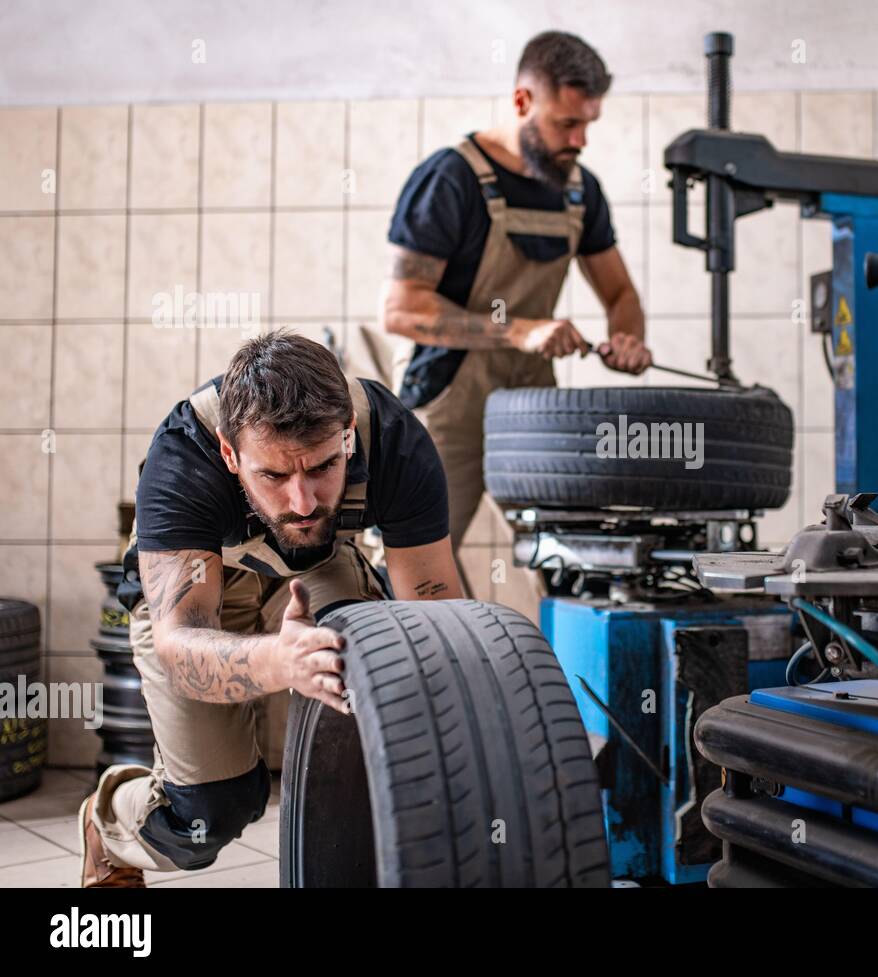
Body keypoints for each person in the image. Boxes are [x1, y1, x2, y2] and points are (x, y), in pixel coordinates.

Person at [80, 330, 461, 887]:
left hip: (316, 569)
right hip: (198, 592)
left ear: (348, 436)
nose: (302, 502)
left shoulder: (396, 442)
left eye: (324, 467)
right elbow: (181, 645)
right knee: (210, 813)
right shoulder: (183, 458)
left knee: (365, 674)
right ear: (231, 454)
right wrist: (280, 663)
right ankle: (107, 823)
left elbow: (433, 613)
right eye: (274, 476)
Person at [381, 30, 652, 574]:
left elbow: (620, 292)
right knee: (414, 565)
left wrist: (627, 337)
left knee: (575, 558)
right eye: (566, 124)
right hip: (447, 401)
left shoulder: (580, 191)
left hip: (532, 405)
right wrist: (517, 330)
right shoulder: (451, 179)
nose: (579, 141)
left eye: (587, 125)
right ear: (523, 102)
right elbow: (402, 309)